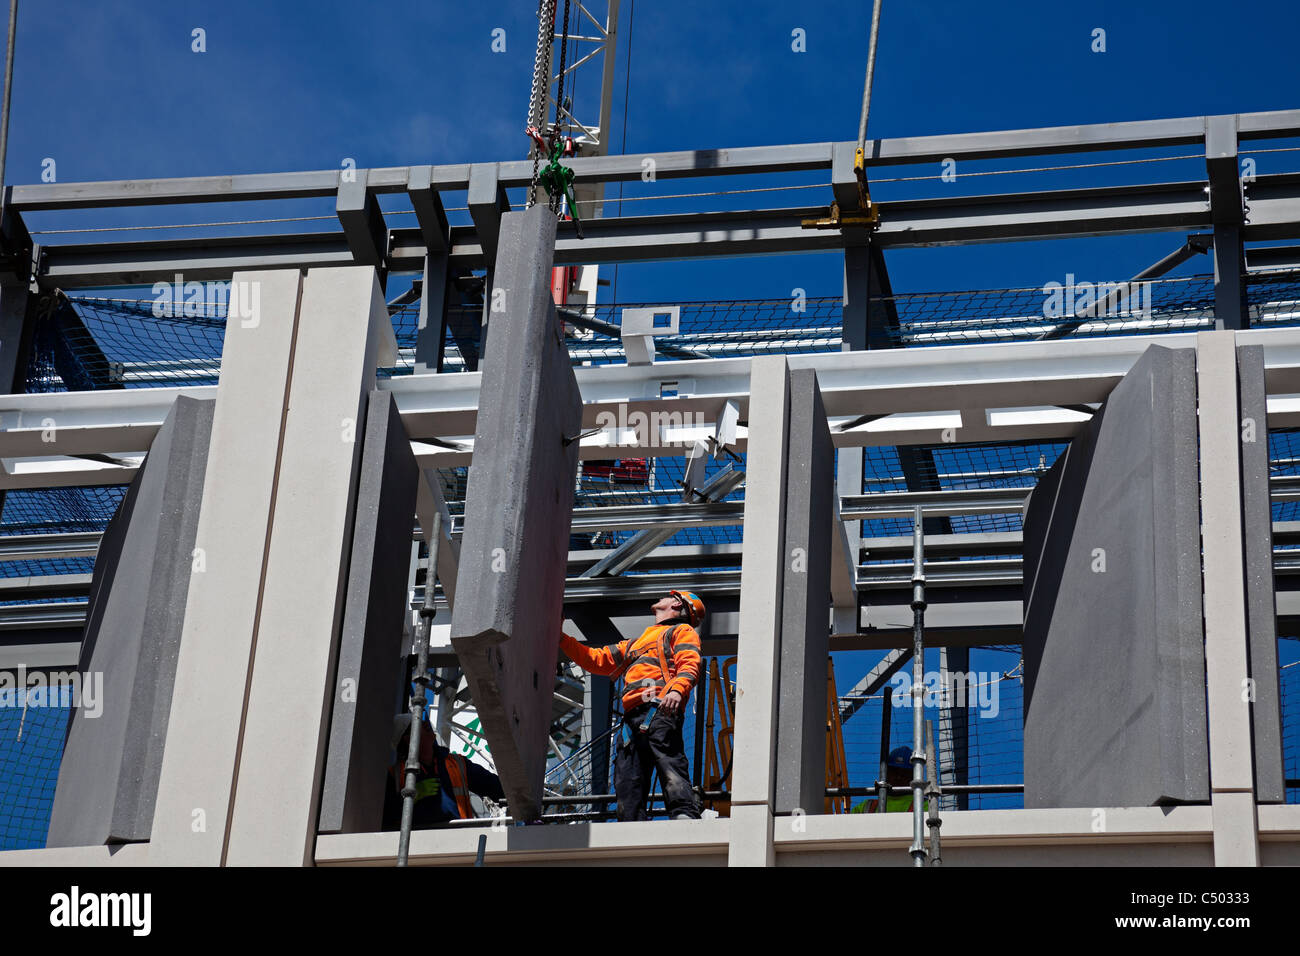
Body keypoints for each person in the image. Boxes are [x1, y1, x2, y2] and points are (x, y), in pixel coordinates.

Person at [559, 590, 705, 821]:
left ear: (677, 605)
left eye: (669, 596)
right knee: (627, 777)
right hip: (632, 719)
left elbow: (689, 663)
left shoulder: (681, 631)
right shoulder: (636, 644)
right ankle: (631, 823)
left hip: (659, 708)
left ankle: (683, 814)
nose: (662, 597)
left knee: (669, 761)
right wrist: (561, 638)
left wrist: (677, 689)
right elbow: (596, 660)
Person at [382, 714, 505, 829]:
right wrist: (410, 796)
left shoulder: (457, 764)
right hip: (416, 845)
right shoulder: (396, 775)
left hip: (458, 839)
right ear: (408, 739)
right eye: (419, 724)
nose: (426, 724)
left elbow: (495, 786)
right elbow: (385, 818)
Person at [851, 746, 915, 813]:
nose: (898, 777)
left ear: (913, 776)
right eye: (894, 772)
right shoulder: (866, 807)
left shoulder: (922, 806)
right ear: (885, 773)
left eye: (904, 773)